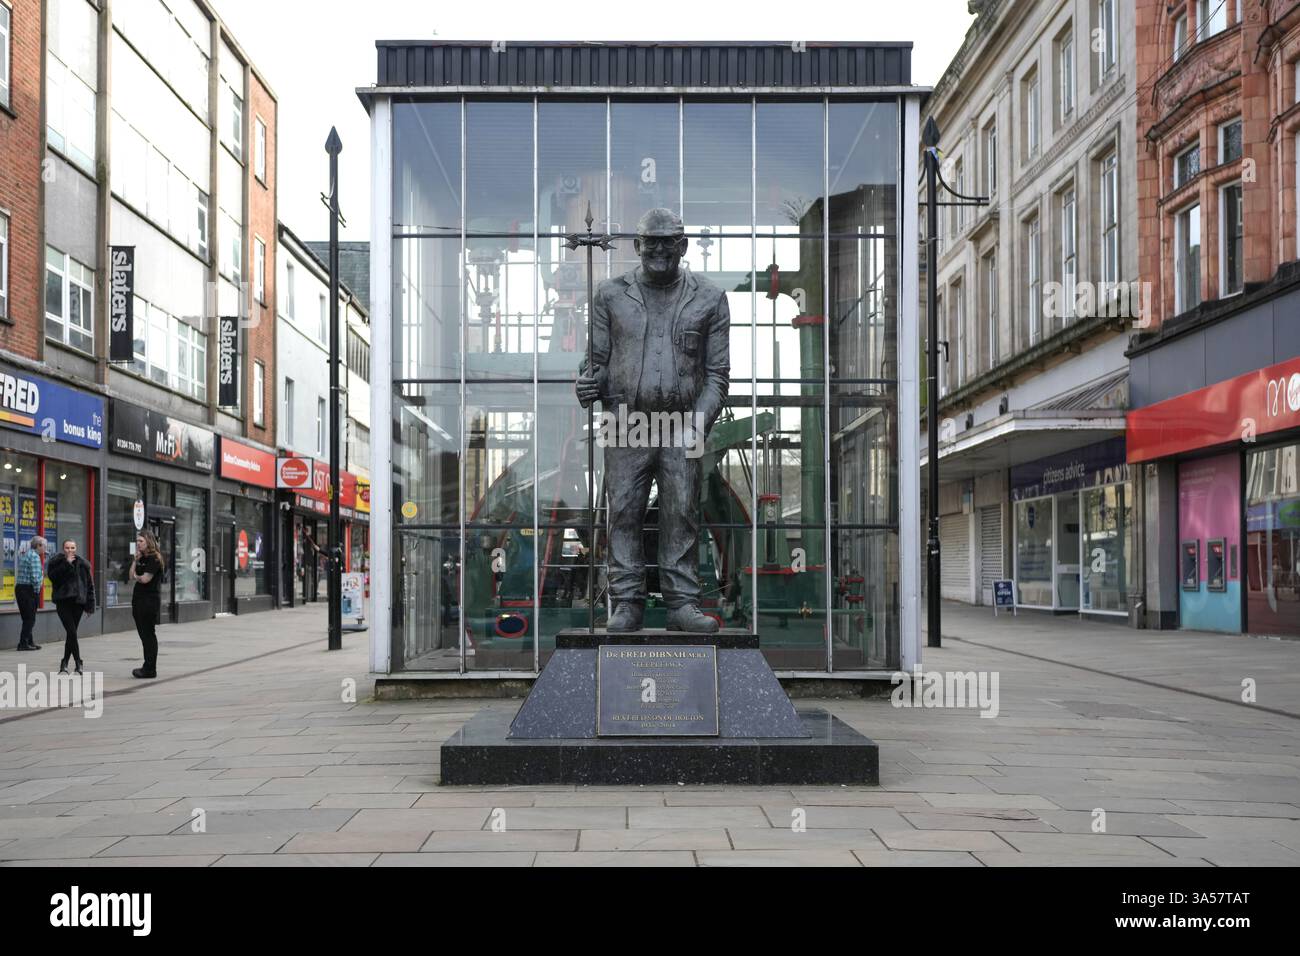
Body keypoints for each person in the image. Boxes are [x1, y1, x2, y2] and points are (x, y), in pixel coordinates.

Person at [574, 208, 730, 633]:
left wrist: (699, 423)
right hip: (625, 423)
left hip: (684, 426)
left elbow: (717, 375)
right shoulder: (609, 296)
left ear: (682, 245)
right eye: (651, 242)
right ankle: (626, 602)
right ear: (638, 245)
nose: (659, 249)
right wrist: (587, 384)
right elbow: (596, 363)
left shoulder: (710, 298)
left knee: (681, 513)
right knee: (622, 512)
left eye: (668, 241)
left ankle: (682, 604)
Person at [45, 539, 95, 675]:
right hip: (63, 602)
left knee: (70, 634)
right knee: (72, 632)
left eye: (72, 548)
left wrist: (90, 605)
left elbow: (89, 586)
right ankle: (78, 661)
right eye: (67, 548)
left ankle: (65, 663)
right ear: (63, 549)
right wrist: (66, 564)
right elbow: (53, 578)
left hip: (78, 603)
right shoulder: (56, 562)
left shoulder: (83, 564)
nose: (70, 550)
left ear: (76, 548)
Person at [129, 531, 164, 679]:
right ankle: (147, 666)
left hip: (149, 602)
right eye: (137, 541)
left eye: (141, 541)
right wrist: (135, 561)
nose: (138, 543)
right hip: (138, 600)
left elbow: (145, 579)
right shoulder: (141, 558)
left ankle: (150, 669)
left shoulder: (154, 559)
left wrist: (137, 576)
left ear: (148, 542)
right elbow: (131, 576)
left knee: (148, 634)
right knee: (143, 635)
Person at [14, 536, 47, 651]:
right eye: (44, 546)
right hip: (28, 590)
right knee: (30, 618)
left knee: (27, 617)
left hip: (21, 589)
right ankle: (23, 643)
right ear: (38, 545)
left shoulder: (28, 554)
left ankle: (29, 641)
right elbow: (35, 578)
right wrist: (37, 591)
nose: (45, 549)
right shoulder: (34, 557)